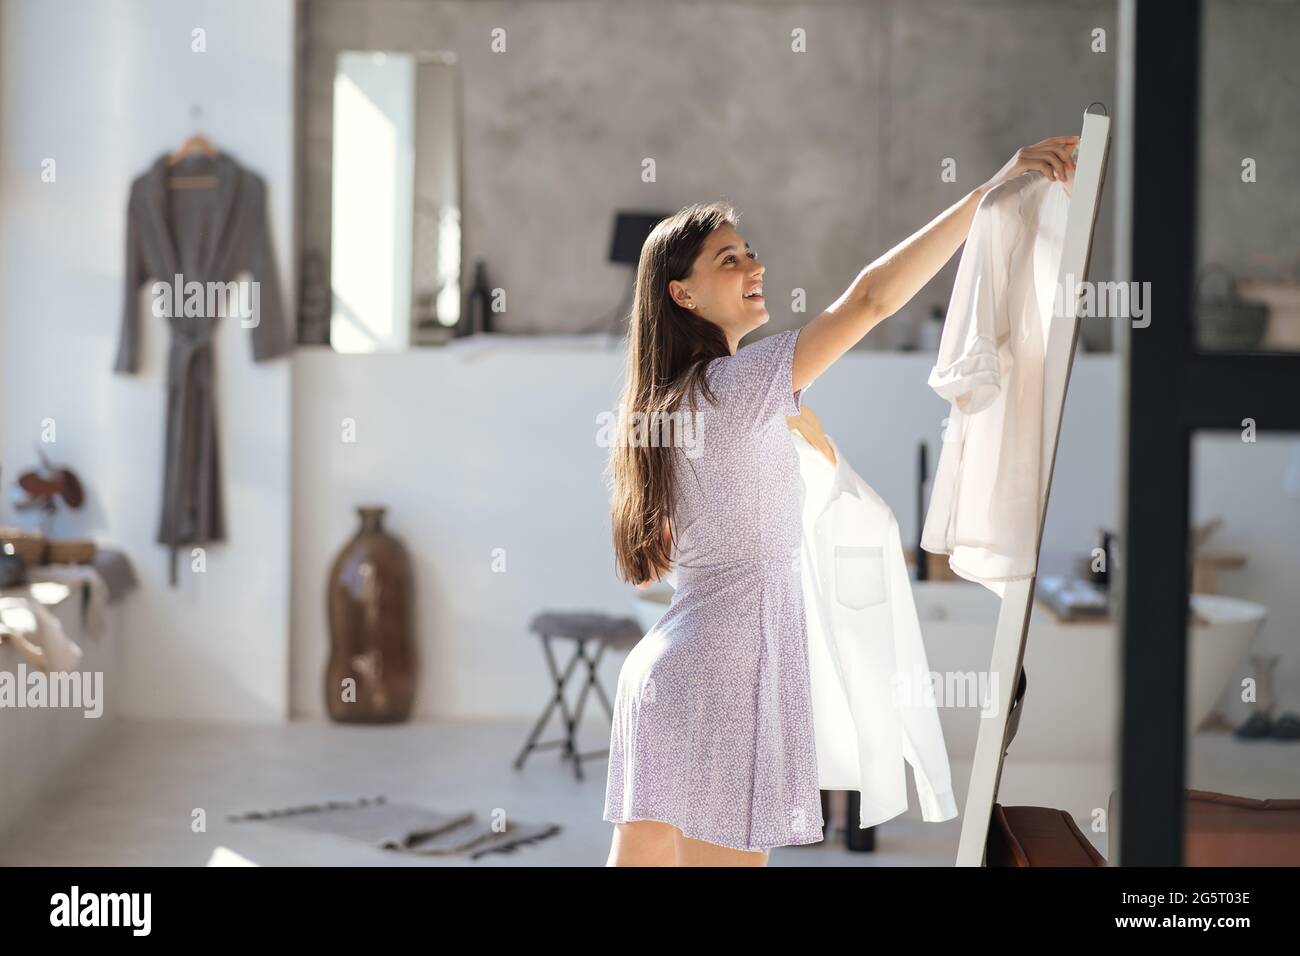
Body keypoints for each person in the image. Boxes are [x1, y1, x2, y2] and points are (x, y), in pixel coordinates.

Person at [603, 136, 1078, 867]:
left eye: (750, 251)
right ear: (683, 294)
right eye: (729, 260)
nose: (755, 267)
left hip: (666, 676)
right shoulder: (740, 385)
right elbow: (872, 298)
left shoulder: (671, 405)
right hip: (728, 684)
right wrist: (989, 192)